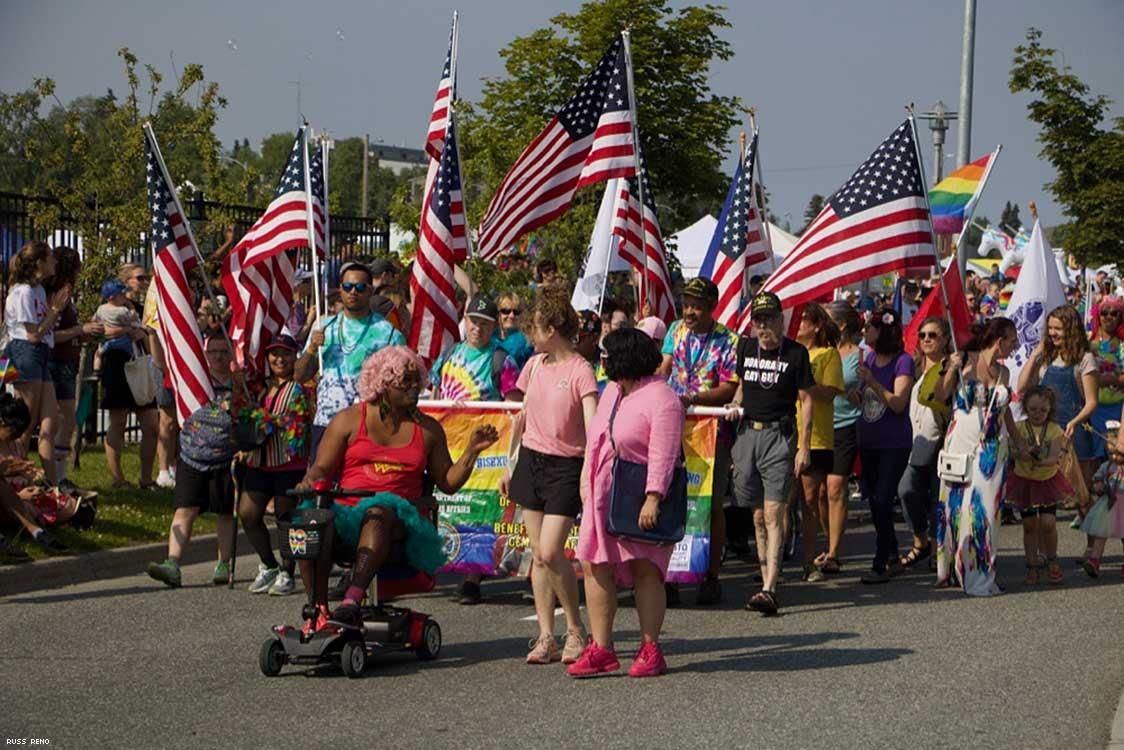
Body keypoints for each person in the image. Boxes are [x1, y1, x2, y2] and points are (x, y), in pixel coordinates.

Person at [296, 346, 498, 632]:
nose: (415, 387)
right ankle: (317, 610)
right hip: (347, 514)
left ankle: (350, 602)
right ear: (383, 384)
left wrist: (472, 451)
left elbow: (448, 483)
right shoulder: (348, 420)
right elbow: (322, 468)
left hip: (401, 521)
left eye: (417, 380)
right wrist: (310, 480)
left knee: (379, 511)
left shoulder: (428, 429)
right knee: (311, 521)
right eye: (405, 381)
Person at [570, 328, 684, 678]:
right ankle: (601, 648)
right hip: (602, 494)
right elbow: (595, 440)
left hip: (640, 496)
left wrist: (653, 497)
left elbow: (664, 453)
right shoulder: (611, 392)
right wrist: (585, 482)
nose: (601, 361)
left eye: (607, 355)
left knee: (645, 570)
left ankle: (651, 649)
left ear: (625, 357)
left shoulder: (663, 398)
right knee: (594, 564)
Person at [503, 290, 596, 665]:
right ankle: (546, 636)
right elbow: (522, 417)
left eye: (535, 328)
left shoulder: (581, 370)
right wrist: (509, 465)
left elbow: (592, 426)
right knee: (537, 557)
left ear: (552, 329)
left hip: (566, 465)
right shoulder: (534, 365)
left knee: (550, 550)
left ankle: (575, 628)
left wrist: (588, 472)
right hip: (531, 460)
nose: (530, 336)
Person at [726, 292, 814, 616]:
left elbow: (806, 399)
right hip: (748, 434)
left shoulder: (796, 353)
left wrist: (804, 447)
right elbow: (742, 384)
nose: (763, 326)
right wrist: (735, 403)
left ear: (781, 320)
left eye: (769, 319)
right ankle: (764, 580)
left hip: (780, 435)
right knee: (758, 515)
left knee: (775, 512)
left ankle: (770, 587)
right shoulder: (746, 348)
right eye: (758, 320)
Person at [430, 294, 520, 604]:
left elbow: (514, 407)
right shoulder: (449, 354)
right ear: (465, 321)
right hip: (449, 445)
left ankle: (472, 578)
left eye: (485, 324)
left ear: (494, 327)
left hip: (485, 451)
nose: (477, 329)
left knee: (480, 509)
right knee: (447, 505)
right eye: (473, 321)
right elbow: (435, 394)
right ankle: (441, 562)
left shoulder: (502, 361)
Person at [656, 277, 738, 605]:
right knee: (669, 500)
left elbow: (730, 387)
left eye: (697, 306)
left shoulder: (728, 340)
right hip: (672, 427)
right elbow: (664, 368)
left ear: (711, 307)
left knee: (709, 504)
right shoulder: (675, 330)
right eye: (686, 304)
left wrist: (694, 398)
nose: (689, 311)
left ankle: (711, 575)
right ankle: (669, 575)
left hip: (710, 432)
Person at [146, 335, 245, 587]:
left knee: (224, 513)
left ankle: (223, 564)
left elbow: (249, 416)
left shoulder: (239, 384)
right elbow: (162, 363)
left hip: (225, 459)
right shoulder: (193, 379)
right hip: (192, 457)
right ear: (205, 354)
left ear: (231, 354)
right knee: (185, 510)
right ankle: (172, 564)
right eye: (213, 352)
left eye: (223, 351)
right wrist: (152, 334)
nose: (218, 356)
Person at [935, 318, 1020, 596]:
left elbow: (1004, 411)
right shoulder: (963, 360)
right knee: (955, 509)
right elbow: (940, 395)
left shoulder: (1004, 372)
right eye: (1012, 340)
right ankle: (953, 570)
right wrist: (952, 370)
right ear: (1000, 340)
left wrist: (1020, 443)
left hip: (992, 448)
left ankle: (980, 575)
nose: (1014, 345)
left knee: (985, 511)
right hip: (961, 442)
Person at [295, 261, 406, 462]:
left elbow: (401, 385)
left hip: (367, 427)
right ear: (340, 289)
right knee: (319, 479)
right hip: (326, 423)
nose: (353, 292)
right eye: (347, 286)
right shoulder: (324, 327)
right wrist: (311, 348)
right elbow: (299, 376)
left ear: (370, 290)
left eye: (360, 287)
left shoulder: (388, 333)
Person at [238, 335, 312, 596]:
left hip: (288, 464)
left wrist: (267, 419)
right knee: (248, 514)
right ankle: (269, 564)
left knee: (286, 518)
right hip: (259, 462)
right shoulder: (259, 389)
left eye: (286, 354)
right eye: (274, 354)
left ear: (294, 357)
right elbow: (247, 417)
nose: (279, 359)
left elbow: (298, 421)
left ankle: (287, 572)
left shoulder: (300, 388)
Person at [856, 309, 916, 584]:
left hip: (894, 442)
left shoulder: (903, 361)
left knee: (883, 499)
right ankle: (892, 554)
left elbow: (898, 403)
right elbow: (868, 398)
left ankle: (880, 563)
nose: (865, 332)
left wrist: (872, 381)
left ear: (883, 331)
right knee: (875, 502)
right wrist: (857, 392)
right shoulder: (870, 358)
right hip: (869, 440)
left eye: (869, 327)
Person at [4, 241, 68, 486]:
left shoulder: (38, 290)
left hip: (41, 353)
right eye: (50, 257)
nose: (54, 261)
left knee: (51, 420)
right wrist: (55, 310)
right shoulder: (23, 293)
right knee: (25, 423)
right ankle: (17, 476)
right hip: (26, 352)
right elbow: (32, 334)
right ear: (38, 262)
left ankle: (52, 483)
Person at [1018, 305, 1100, 492]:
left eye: (1058, 329)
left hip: (1075, 432)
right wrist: (1035, 355)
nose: (1052, 333)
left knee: (1078, 492)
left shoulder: (1085, 359)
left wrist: (1074, 422)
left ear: (1071, 330)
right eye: (1050, 328)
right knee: (1047, 491)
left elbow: (1092, 402)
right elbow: (1022, 387)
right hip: (1046, 432)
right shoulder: (1046, 357)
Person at [896, 317, 953, 572]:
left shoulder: (949, 367)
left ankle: (935, 549)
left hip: (941, 442)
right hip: (915, 443)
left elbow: (945, 398)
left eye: (933, 335)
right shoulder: (915, 367)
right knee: (906, 490)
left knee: (936, 499)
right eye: (923, 335)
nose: (927, 339)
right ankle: (920, 541)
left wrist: (952, 368)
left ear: (945, 339)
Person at [792, 303, 844, 582]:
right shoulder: (789, 352)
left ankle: (809, 560)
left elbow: (830, 393)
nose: (798, 323)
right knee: (781, 502)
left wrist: (804, 381)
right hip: (786, 432)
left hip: (816, 437)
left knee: (809, 500)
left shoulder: (827, 354)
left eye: (804, 319)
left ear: (817, 326)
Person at [44, 246, 102, 489]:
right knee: (62, 419)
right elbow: (50, 334)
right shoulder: (59, 294)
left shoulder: (65, 293)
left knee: (66, 419)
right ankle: (55, 476)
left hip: (67, 360)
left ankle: (59, 475)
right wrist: (80, 330)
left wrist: (83, 334)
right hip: (57, 361)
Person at [95, 277, 159, 489]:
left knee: (151, 424)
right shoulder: (106, 308)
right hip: (116, 364)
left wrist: (141, 334)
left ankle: (146, 478)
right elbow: (100, 331)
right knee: (118, 422)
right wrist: (125, 331)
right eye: (138, 278)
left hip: (139, 363)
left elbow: (146, 333)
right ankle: (118, 478)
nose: (142, 282)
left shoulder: (139, 308)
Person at [1007, 386, 1072, 585]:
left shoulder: (1054, 430)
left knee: (1048, 523)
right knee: (1029, 525)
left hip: (1047, 482)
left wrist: (1038, 460)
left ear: (1050, 410)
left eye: (1043, 410)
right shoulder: (1018, 428)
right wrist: (1021, 454)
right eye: (1033, 409)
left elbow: (1054, 458)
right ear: (1025, 407)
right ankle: (1031, 565)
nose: (1037, 414)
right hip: (1024, 481)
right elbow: (1010, 451)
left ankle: (1052, 561)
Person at [820, 301, 863, 574]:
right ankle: (828, 541)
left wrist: (863, 393)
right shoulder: (819, 351)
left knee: (835, 487)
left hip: (846, 425)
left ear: (842, 324)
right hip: (818, 427)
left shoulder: (861, 355)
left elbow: (871, 389)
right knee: (819, 492)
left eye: (826, 318)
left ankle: (834, 552)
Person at [0, 393, 68, 556]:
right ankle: (34, 532)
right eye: (13, 432)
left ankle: (37, 532)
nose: (15, 437)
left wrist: (26, 476)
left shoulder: (13, 445)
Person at [1081, 437, 1124, 578]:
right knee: (1101, 534)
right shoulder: (1107, 466)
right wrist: (1097, 486)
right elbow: (1097, 479)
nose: (1114, 457)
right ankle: (1094, 560)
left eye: (1119, 454)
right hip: (1108, 505)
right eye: (1111, 453)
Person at [1088, 297, 1124, 460]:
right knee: (1094, 455)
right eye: (1104, 312)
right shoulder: (1087, 342)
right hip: (1092, 408)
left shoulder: (1122, 345)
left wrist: (1111, 380)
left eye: (1114, 313)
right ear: (1097, 314)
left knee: (1115, 454)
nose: (1109, 317)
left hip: (1116, 408)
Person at [492, 292, 534, 370]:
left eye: (516, 312)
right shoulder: (489, 337)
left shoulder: (527, 342)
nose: (512, 316)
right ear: (497, 314)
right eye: (506, 311)